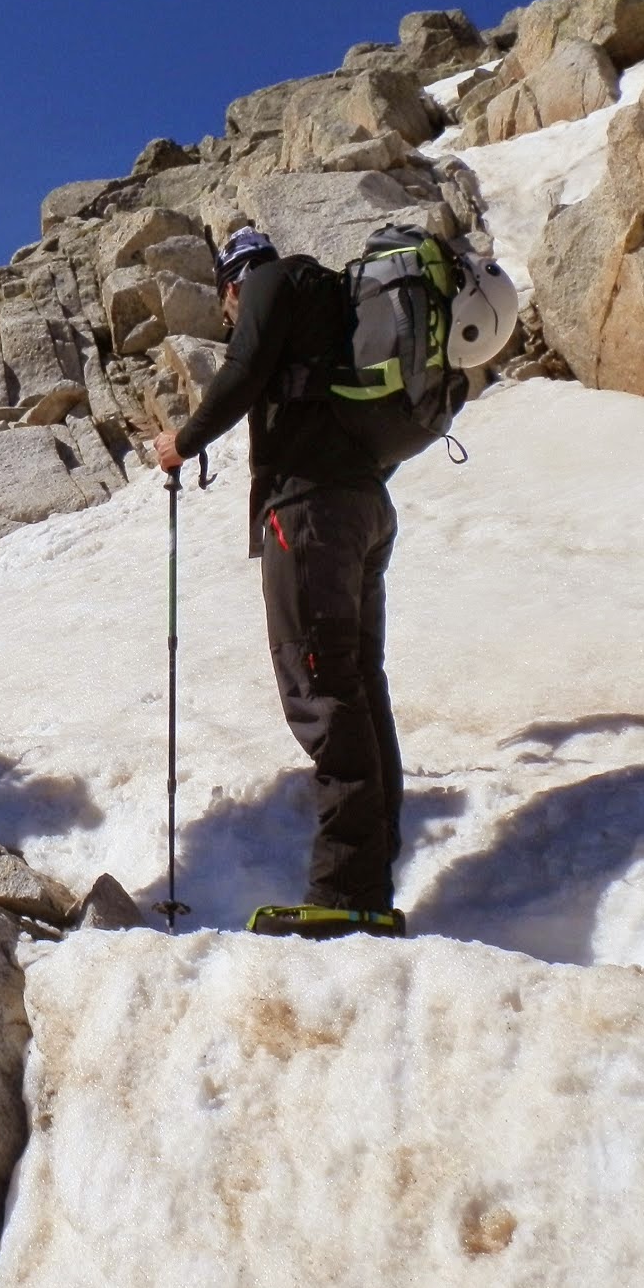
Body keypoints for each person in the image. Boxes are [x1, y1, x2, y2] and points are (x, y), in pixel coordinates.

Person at [152, 226, 410, 935]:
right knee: (358, 680)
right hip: (364, 508)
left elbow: (239, 376)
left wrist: (183, 441)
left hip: (308, 513)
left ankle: (350, 890)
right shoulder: (330, 301)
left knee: (322, 691)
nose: (231, 317)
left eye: (225, 306)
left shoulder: (268, 285)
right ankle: (375, 858)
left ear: (231, 283)